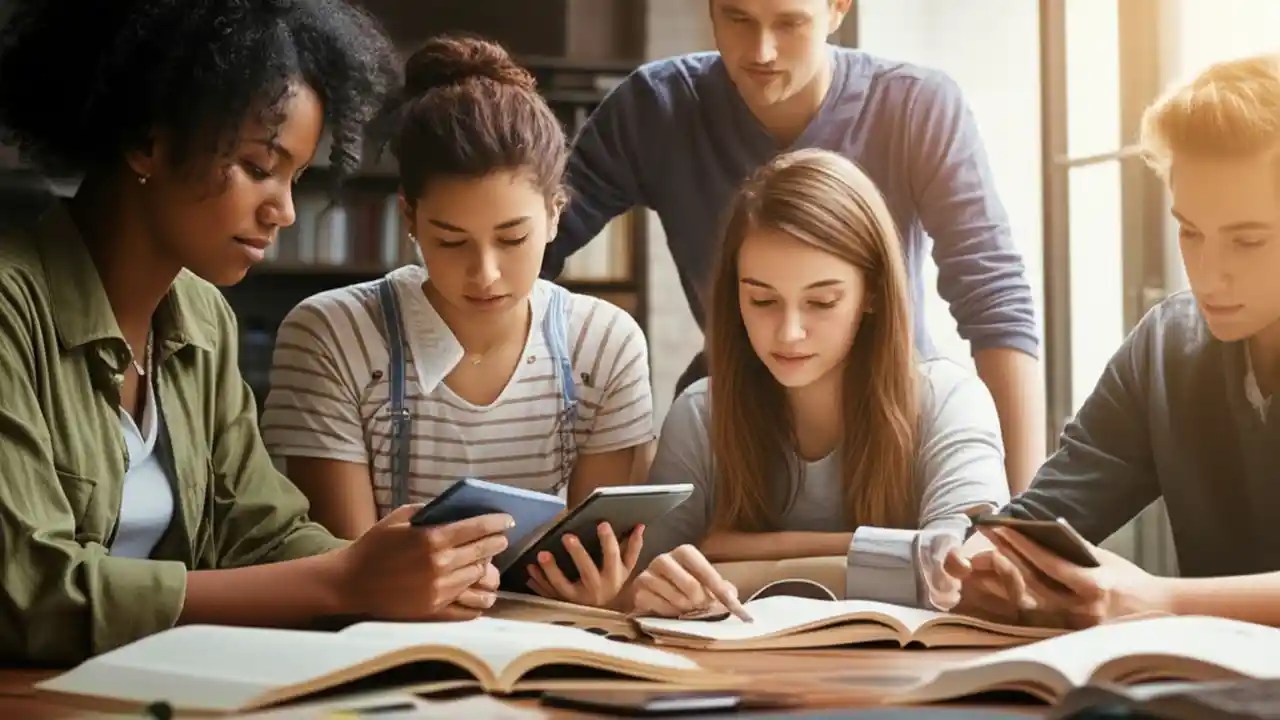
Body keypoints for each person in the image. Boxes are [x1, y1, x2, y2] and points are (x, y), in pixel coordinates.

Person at [0, 0, 515, 664]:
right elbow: (31, 596)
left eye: (296, 177)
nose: (285, 209)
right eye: (258, 166)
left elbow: (262, 534)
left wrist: (397, 567)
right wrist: (344, 580)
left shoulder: (202, 319)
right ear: (146, 141)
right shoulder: (14, 307)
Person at [541, 0, 1045, 492]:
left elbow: (994, 299)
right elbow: (526, 243)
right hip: (738, 431)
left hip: (896, 426)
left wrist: (1025, 517)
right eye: (737, 18)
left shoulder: (916, 106)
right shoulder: (655, 108)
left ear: (838, 8)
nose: (761, 51)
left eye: (789, 23)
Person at [260, 36, 655, 609]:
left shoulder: (605, 343)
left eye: (513, 238)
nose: (486, 274)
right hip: (382, 641)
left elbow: (593, 557)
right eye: (451, 241)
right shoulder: (333, 334)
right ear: (410, 219)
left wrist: (599, 589)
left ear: (554, 214)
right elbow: (343, 566)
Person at [955, 53, 1280, 630]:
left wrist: (1163, 600)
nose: (1206, 275)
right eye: (1189, 231)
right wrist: (994, 568)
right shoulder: (1164, 348)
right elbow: (1040, 522)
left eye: (1247, 241)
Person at [622, 148, 1010, 618]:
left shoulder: (951, 400)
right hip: (736, 684)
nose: (788, 333)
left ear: (871, 292)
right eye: (762, 301)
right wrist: (890, 554)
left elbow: (961, 570)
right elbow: (643, 582)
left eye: (822, 302)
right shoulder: (702, 414)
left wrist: (737, 559)